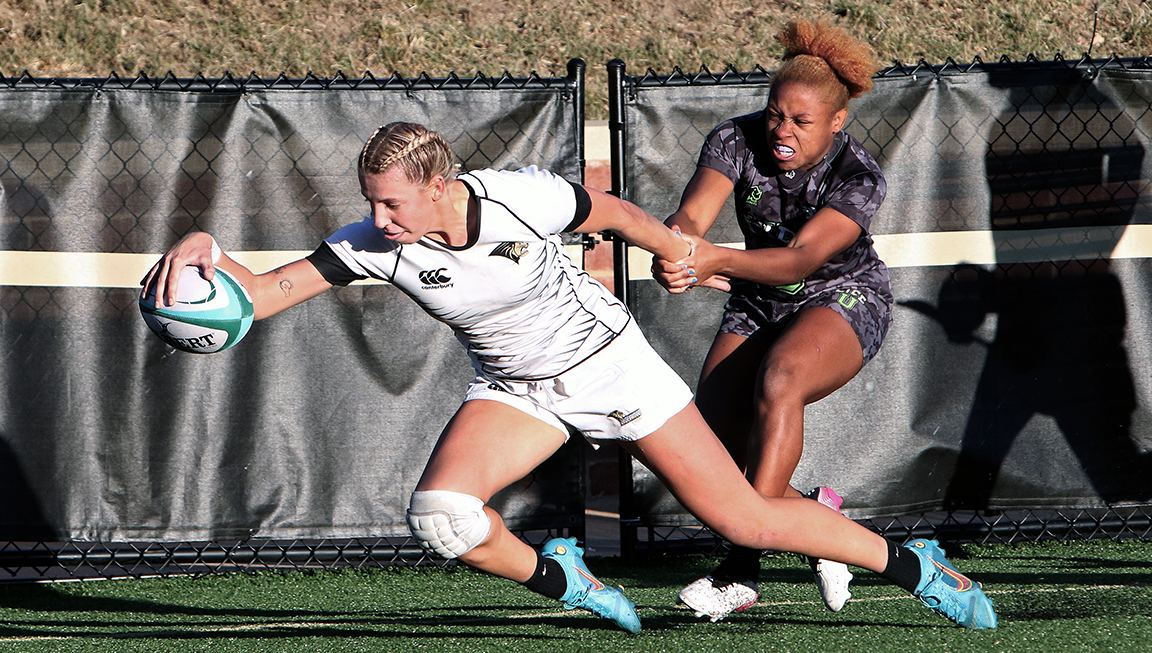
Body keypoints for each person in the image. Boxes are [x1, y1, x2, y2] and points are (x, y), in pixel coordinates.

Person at [143, 121, 996, 633]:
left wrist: (681, 254)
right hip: (517, 390)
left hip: (612, 367)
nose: (378, 218)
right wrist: (201, 250)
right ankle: (569, 580)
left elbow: (617, 214)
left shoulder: (518, 198)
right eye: (371, 201)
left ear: (441, 187)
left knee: (745, 518)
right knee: (442, 517)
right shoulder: (373, 243)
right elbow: (260, 295)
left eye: (394, 203)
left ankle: (920, 568)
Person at [652, 18, 892, 621]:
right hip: (758, 298)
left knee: (781, 380)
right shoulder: (734, 141)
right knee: (710, 445)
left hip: (843, 296)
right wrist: (679, 256)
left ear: (837, 122)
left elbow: (803, 260)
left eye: (801, 122)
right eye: (775, 115)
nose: (782, 131)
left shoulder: (858, 176)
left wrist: (714, 260)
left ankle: (738, 570)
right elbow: (691, 218)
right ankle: (818, 520)